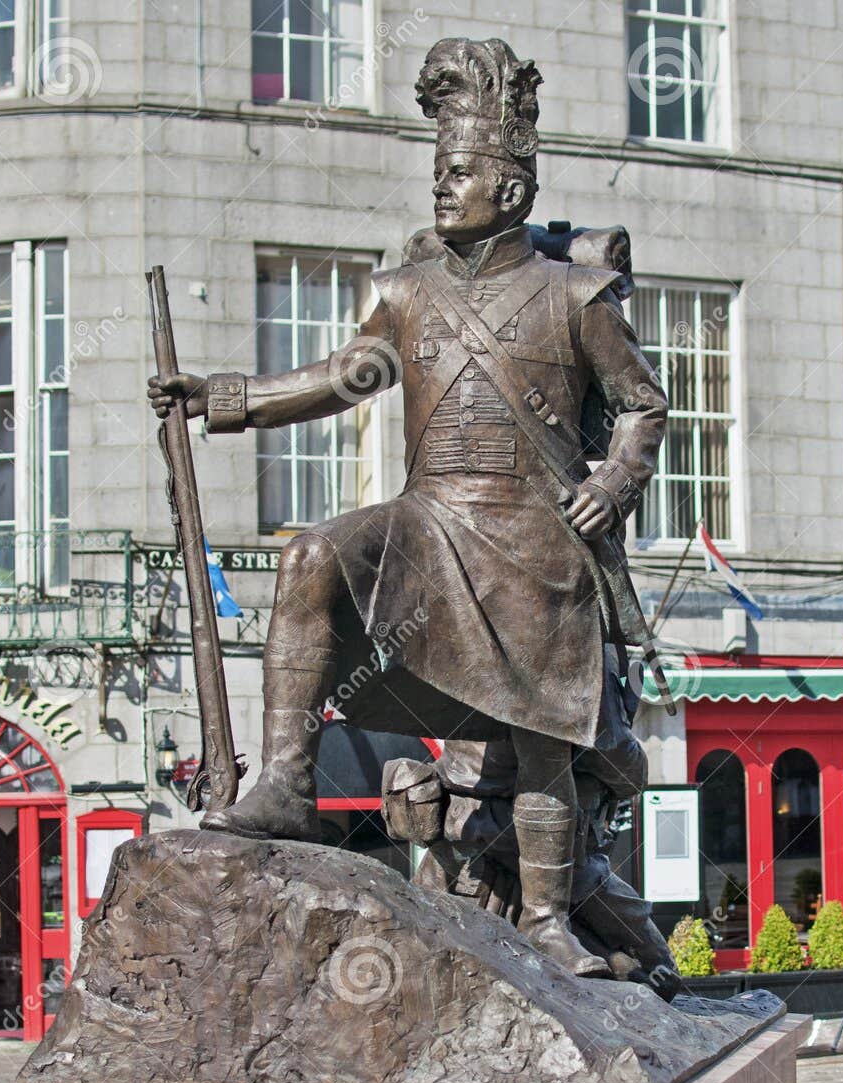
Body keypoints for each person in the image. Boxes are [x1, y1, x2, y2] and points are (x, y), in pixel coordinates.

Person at [149, 37, 668, 977]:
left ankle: (548, 919)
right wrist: (219, 399)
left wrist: (610, 483)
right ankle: (287, 780)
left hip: (537, 538)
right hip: (430, 523)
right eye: (439, 171)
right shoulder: (404, 292)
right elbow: (340, 380)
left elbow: (642, 405)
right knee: (310, 555)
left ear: (509, 191)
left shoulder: (577, 294)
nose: (442, 188)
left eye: (461, 173)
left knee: (541, 741)